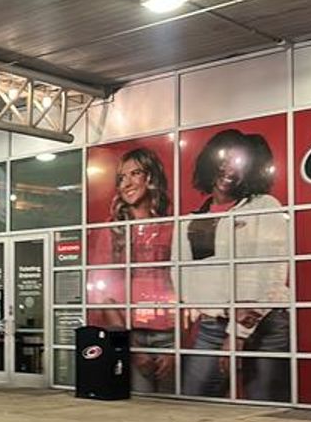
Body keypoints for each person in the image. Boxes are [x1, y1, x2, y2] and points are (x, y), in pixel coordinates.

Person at [180, 129, 288, 400]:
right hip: (213, 325)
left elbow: (270, 274)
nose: (228, 169)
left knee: (262, 407)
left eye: (238, 163)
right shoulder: (192, 220)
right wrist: (194, 305)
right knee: (194, 397)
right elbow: (180, 270)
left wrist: (239, 332)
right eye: (222, 160)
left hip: (266, 324)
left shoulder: (265, 205)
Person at [101, 147, 178, 392]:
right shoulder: (111, 231)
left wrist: (177, 345)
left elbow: (184, 286)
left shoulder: (172, 227)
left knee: (173, 408)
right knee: (140, 406)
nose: (127, 183)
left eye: (135, 173)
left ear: (150, 177)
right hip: (131, 333)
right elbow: (104, 296)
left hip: (169, 334)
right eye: (122, 178)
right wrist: (131, 346)